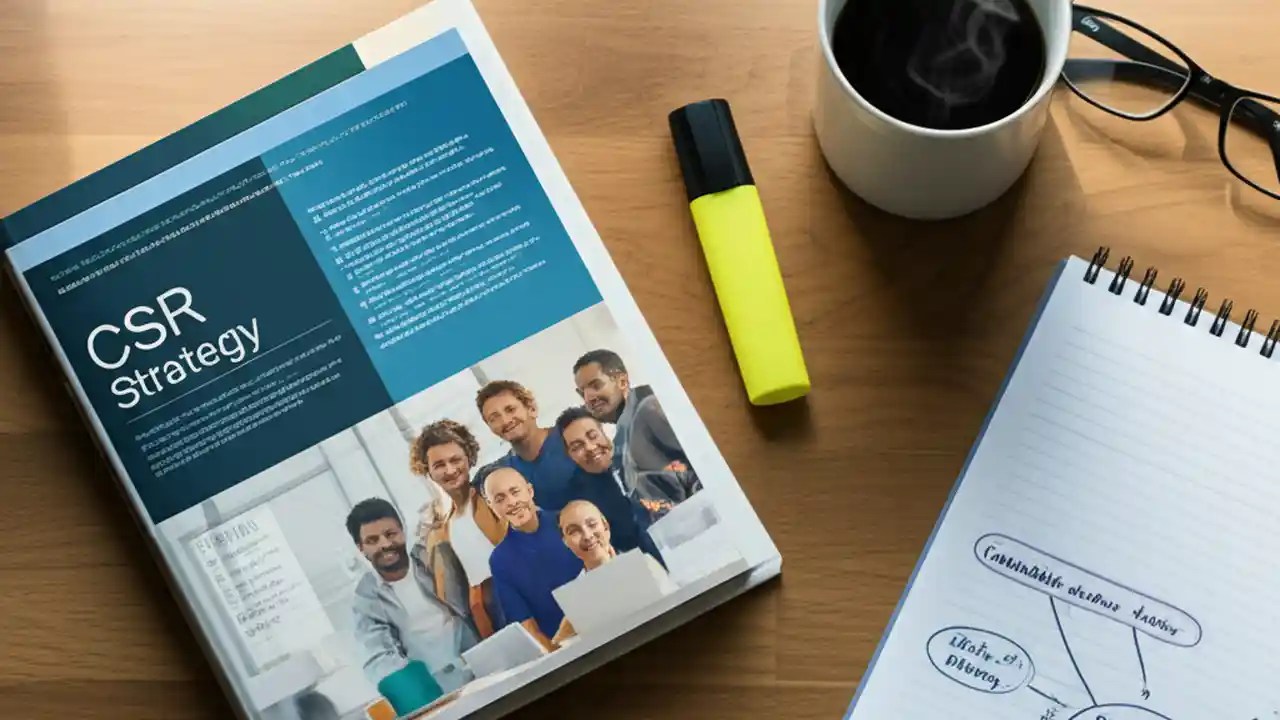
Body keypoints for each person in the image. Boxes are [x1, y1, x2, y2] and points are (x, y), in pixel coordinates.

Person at [345, 498, 478, 692]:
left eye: (390, 534)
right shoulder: (366, 598)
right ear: (361, 548)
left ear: (403, 530)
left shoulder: (430, 558)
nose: (385, 544)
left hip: (477, 662)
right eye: (372, 541)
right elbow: (377, 659)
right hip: (433, 689)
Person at [408, 419, 508, 639]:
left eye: (455, 460)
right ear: (428, 471)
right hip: (491, 615)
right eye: (439, 465)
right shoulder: (441, 528)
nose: (450, 470)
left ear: (469, 458)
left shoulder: (491, 495)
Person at [571, 350, 701, 513]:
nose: (589, 397)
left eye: (596, 385)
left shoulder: (651, 409)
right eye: (583, 392)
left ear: (622, 381)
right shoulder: (625, 435)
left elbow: (704, 467)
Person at [551, 499, 678, 646]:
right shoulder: (575, 601)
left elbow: (677, 608)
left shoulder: (645, 564)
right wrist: (561, 639)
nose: (587, 535)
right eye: (574, 531)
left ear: (605, 525)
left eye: (592, 525)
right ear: (565, 542)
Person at [483, 466, 582, 651]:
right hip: (563, 647)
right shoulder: (500, 561)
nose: (511, 502)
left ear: (530, 491)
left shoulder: (568, 520)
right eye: (500, 499)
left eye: (515, 492)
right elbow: (527, 626)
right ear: (492, 507)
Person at [555, 406, 684, 546]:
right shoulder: (579, 501)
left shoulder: (641, 454)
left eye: (593, 436)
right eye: (577, 447)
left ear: (603, 432)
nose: (590, 447)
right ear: (570, 455)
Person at [476, 379, 578, 512]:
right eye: (494, 418)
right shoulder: (502, 471)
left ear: (532, 408)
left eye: (510, 410)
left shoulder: (572, 437)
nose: (506, 421)